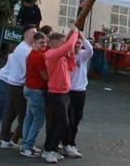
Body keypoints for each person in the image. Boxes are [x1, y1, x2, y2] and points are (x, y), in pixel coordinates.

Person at [41, 28, 82, 163]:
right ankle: (50, 151)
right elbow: (69, 45)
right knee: (62, 123)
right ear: (54, 44)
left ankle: (49, 149)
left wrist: (70, 53)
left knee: (60, 122)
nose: (64, 45)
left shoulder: (62, 57)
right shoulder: (51, 54)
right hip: (56, 93)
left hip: (64, 93)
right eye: (62, 42)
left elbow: (71, 66)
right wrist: (75, 32)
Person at [0, 26, 35, 148]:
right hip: (15, 84)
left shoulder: (27, 48)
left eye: (36, 32)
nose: (35, 34)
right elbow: (27, 69)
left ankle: (7, 139)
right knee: (22, 114)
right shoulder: (23, 49)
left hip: (14, 82)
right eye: (33, 32)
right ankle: (23, 141)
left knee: (12, 111)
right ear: (25, 34)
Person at [62, 30, 94, 159]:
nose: (77, 45)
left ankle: (71, 142)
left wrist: (82, 37)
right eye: (76, 43)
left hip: (80, 90)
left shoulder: (82, 55)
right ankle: (66, 143)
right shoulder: (68, 55)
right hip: (69, 90)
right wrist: (73, 38)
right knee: (69, 118)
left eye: (79, 43)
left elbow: (90, 50)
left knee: (77, 118)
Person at [18, 31, 49, 158]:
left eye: (45, 42)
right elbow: (45, 76)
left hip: (29, 88)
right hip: (36, 90)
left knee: (29, 118)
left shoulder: (33, 53)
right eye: (42, 42)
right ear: (35, 42)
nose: (44, 45)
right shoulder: (37, 56)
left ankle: (26, 144)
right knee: (39, 119)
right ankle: (27, 146)